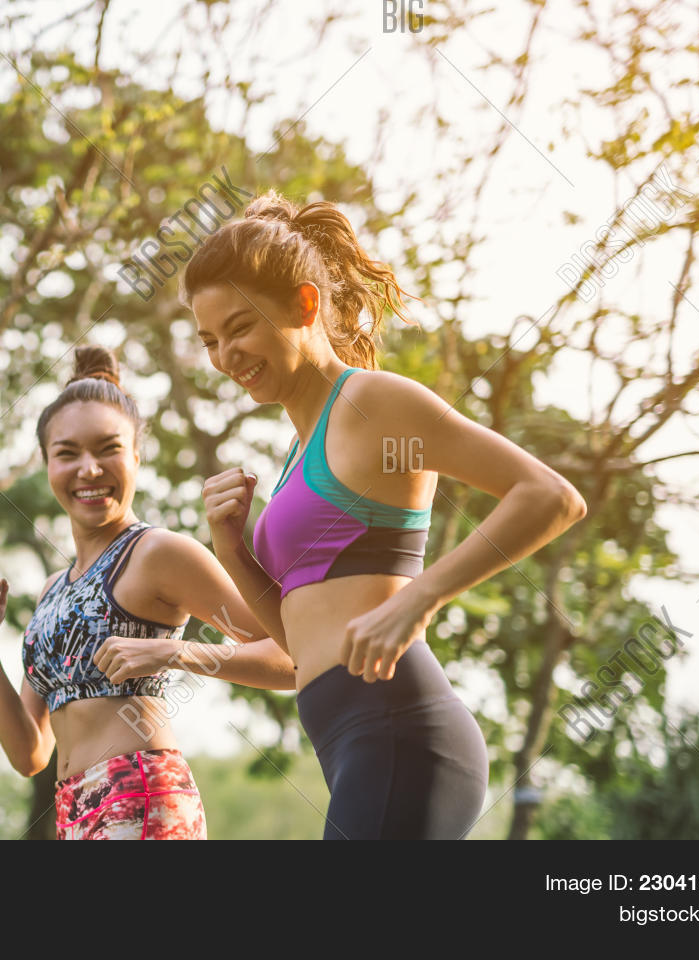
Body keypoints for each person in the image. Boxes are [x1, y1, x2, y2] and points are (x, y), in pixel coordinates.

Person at [181, 191, 587, 839]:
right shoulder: (294, 454)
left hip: (400, 730)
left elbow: (548, 496)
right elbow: (299, 647)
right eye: (209, 340)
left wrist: (419, 598)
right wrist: (232, 549)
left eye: (240, 327)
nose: (226, 356)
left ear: (304, 304)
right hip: (350, 743)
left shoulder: (374, 405)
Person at [0, 345, 297, 840]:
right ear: (46, 463)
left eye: (108, 448)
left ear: (136, 456)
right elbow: (29, 754)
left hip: (140, 794)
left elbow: (293, 658)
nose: (89, 470)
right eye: (68, 453)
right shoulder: (54, 589)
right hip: (72, 811)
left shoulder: (158, 553)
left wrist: (175, 652)